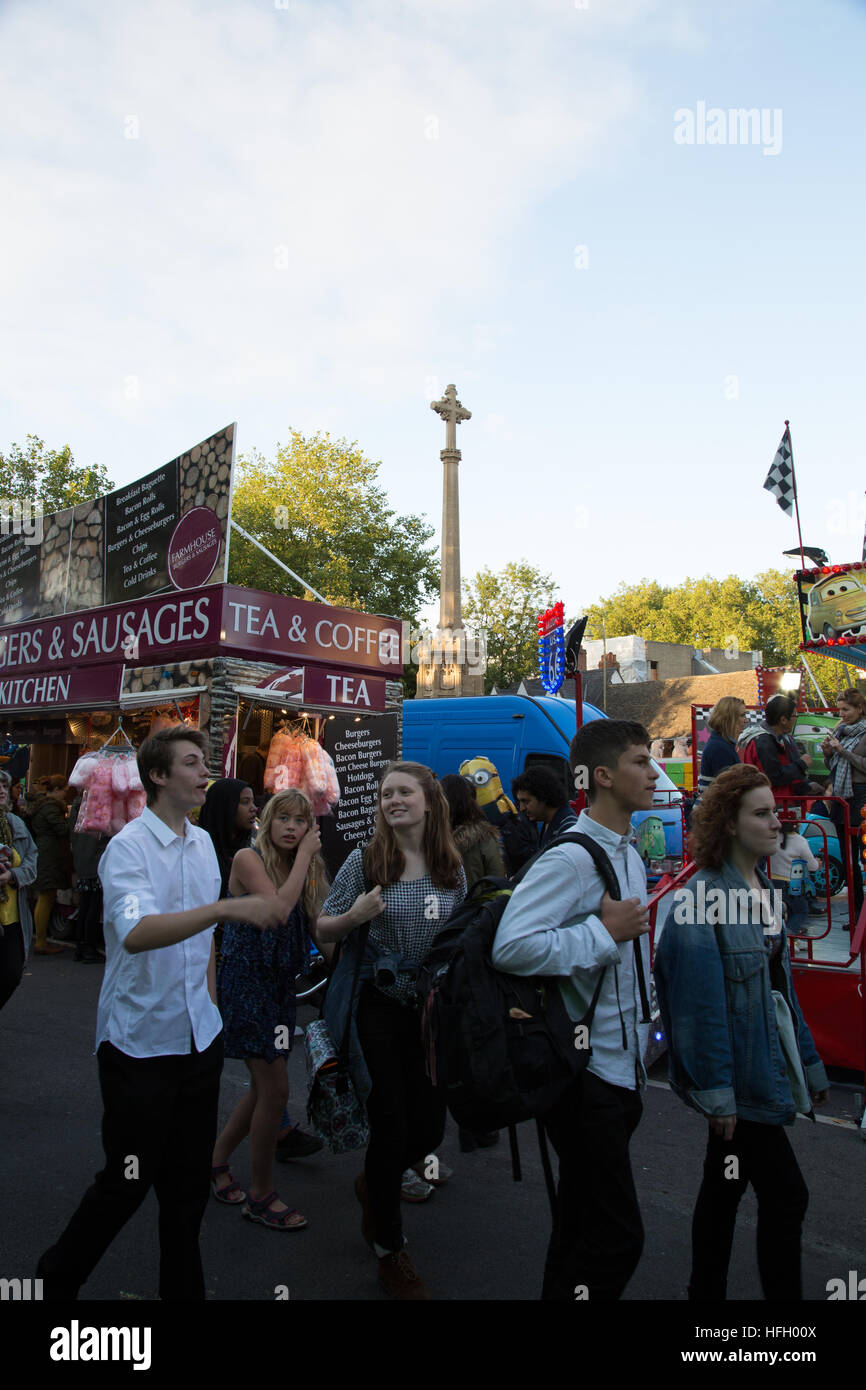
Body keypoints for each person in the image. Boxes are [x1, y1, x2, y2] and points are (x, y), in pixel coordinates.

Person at [36, 726, 283, 1301]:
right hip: (140, 1047)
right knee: (126, 1181)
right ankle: (50, 1285)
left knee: (186, 1186)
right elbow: (140, 932)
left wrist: (212, 1010)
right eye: (194, 763)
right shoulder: (127, 849)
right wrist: (227, 907)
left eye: (204, 763)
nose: (205, 774)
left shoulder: (201, 845)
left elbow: (203, 948)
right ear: (158, 776)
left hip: (198, 1042)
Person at [493, 720, 656, 1301]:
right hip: (584, 1080)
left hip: (621, 1071)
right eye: (641, 761)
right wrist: (598, 933)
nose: (654, 773)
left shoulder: (628, 851)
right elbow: (511, 947)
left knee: (580, 1224)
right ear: (604, 776)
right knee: (618, 1238)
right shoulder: (571, 858)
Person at [655, 764, 829, 1300]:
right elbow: (695, 1008)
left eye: (775, 811)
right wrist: (718, 1093)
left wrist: (810, 1062)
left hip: (761, 1070)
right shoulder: (700, 898)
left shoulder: (763, 887)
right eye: (761, 813)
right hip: (740, 1083)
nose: (776, 822)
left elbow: (780, 994)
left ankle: (703, 1292)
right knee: (786, 1197)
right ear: (728, 823)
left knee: (724, 1188)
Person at [316, 761, 466, 1300]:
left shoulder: (451, 864)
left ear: (429, 801)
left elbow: (462, 937)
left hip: (430, 1014)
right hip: (377, 1010)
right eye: (385, 794)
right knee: (391, 1124)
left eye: (403, 792)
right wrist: (354, 916)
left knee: (428, 1129)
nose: (392, 801)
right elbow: (323, 927)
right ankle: (389, 1249)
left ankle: (374, 1186)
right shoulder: (366, 859)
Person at [211, 787, 328, 1228]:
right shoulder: (249, 859)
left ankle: (218, 1162)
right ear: (269, 821)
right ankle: (260, 1195)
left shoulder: (300, 866)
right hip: (248, 984)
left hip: (280, 988)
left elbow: (318, 921)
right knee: (275, 1089)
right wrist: (306, 859)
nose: (292, 828)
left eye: (301, 821)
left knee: (264, 1088)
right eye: (284, 819)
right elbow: (278, 911)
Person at [820, 686, 866, 916]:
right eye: (839, 710)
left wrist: (843, 752)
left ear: (859, 708)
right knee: (848, 857)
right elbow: (834, 768)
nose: (842, 715)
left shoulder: (864, 733)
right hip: (842, 796)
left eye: (846, 709)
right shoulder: (842, 732)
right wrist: (829, 754)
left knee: (861, 853)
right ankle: (857, 909)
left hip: (861, 797)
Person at [0, 769, 38, 1011]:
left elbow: (32, 863)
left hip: (12, 917)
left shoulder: (16, 824)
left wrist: (11, 875)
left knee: (11, 974)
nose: (2, 791)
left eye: (4, 786)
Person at [738, 694, 821, 801]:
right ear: (783, 720)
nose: (796, 718)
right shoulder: (764, 741)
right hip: (772, 802)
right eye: (794, 715)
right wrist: (802, 764)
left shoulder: (771, 738)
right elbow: (774, 776)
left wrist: (806, 785)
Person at [30, 774, 72, 955]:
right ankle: (40, 941)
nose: (65, 795)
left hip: (44, 852)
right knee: (46, 896)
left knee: (45, 896)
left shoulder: (42, 806)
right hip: (49, 854)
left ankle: (41, 939)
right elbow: (62, 829)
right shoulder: (51, 808)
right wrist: (71, 819)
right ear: (56, 790)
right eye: (63, 791)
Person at [69, 791, 109, 963]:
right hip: (95, 860)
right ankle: (89, 948)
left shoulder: (77, 806)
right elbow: (103, 833)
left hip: (82, 859)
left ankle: (81, 946)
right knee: (93, 905)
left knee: (85, 904)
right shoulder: (97, 806)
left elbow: (72, 833)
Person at [769, 822, 821, 936]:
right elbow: (812, 866)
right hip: (790, 884)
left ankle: (791, 939)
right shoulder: (799, 840)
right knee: (801, 911)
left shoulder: (772, 836)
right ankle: (788, 936)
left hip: (770, 882)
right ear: (796, 825)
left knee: (779, 914)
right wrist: (818, 863)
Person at [512, 765, 577, 849]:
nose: (522, 808)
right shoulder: (549, 822)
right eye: (520, 802)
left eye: (526, 801)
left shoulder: (568, 829)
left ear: (543, 796)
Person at [697, 697, 746, 795]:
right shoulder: (719, 748)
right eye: (742, 715)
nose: (746, 720)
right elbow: (729, 790)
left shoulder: (722, 743)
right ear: (729, 719)